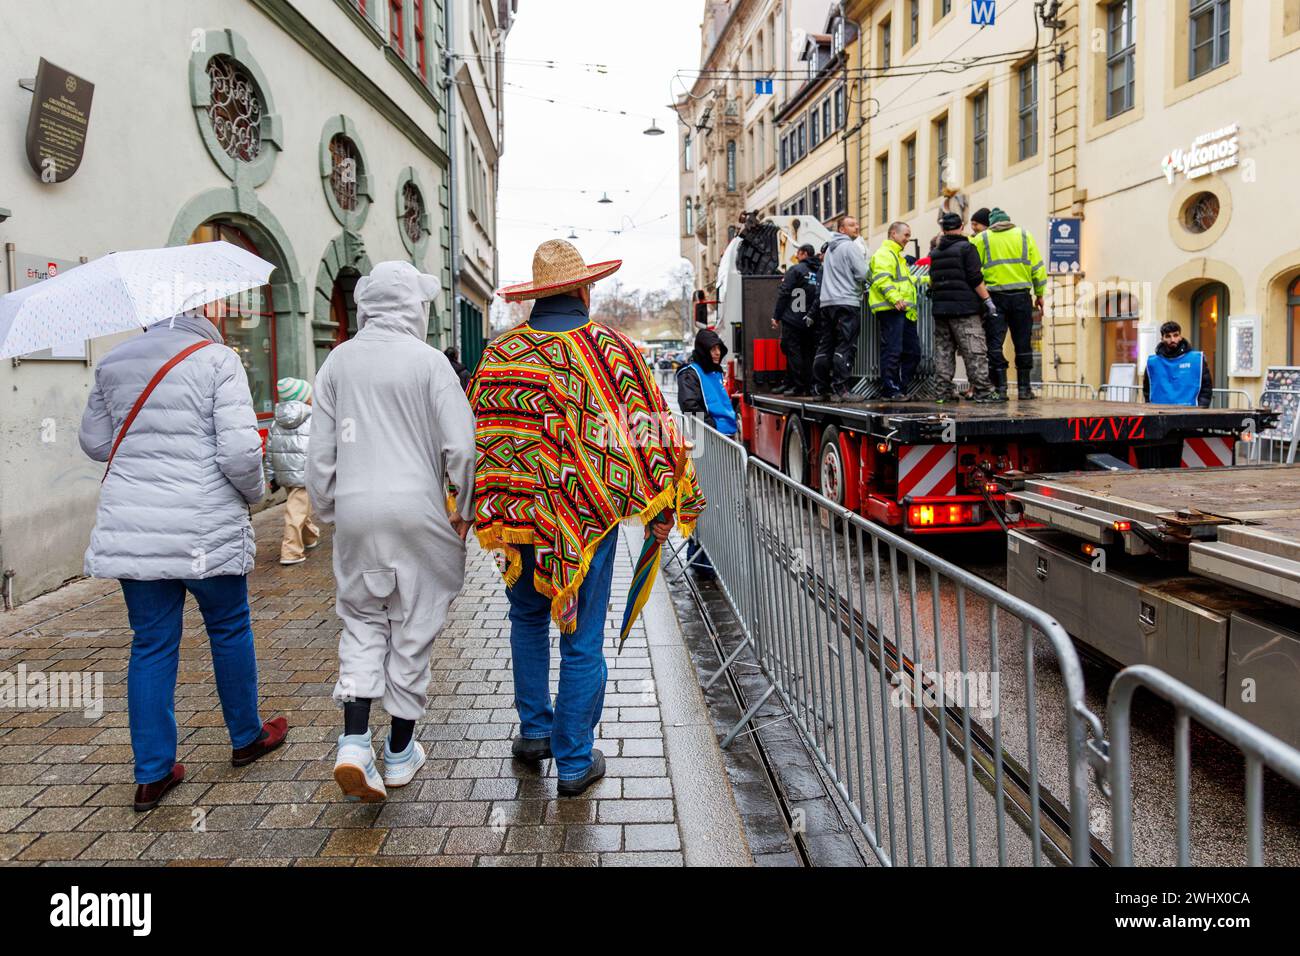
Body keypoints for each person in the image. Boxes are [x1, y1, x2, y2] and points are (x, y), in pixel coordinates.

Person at [471, 240, 705, 796]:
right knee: (580, 635)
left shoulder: (501, 354)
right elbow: (651, 429)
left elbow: (478, 433)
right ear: (582, 288)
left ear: (538, 295)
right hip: (582, 521)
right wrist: (670, 495)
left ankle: (535, 734)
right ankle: (574, 761)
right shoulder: (610, 349)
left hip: (514, 516)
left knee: (526, 619)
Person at [78, 308, 288, 812]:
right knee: (230, 628)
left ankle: (152, 773)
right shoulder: (218, 359)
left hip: (136, 527)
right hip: (204, 524)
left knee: (151, 643)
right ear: (199, 312)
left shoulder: (113, 362)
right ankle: (245, 737)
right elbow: (240, 453)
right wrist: (255, 494)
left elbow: (95, 443)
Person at [307, 261, 477, 803]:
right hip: (418, 510)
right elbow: (463, 448)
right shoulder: (430, 364)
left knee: (361, 620)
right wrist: (464, 507)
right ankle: (400, 752)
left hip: (358, 512)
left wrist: (330, 508)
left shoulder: (337, 363)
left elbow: (320, 454)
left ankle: (355, 742)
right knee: (413, 624)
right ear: (413, 307)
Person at [927, 213, 1003, 404]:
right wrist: (988, 301)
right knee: (974, 350)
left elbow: (932, 281)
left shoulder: (935, 253)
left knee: (944, 352)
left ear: (943, 229)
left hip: (941, 311)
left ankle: (942, 393)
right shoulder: (967, 248)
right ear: (961, 226)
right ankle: (984, 392)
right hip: (965, 310)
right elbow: (975, 278)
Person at [973, 207, 1047, 400]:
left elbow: (974, 270)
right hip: (1022, 298)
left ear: (992, 222)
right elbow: (1038, 268)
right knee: (1023, 343)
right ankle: (1024, 389)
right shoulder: (1024, 235)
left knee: (994, 344)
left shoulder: (982, 238)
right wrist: (1039, 294)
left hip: (994, 299)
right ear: (1008, 220)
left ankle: (1001, 389)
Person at [265, 377, 321, 566]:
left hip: (285, 475)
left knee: (299, 507)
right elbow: (322, 445)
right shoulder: (313, 417)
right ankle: (291, 551)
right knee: (295, 512)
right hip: (304, 473)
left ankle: (309, 537)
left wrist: (271, 476)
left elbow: (270, 450)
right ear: (304, 398)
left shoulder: (276, 421)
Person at [814, 216, 869, 401]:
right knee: (846, 344)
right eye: (852, 225)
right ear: (842, 229)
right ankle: (843, 389)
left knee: (826, 345)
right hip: (846, 301)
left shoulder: (829, 248)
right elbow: (862, 273)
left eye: (857, 223)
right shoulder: (850, 247)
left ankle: (821, 389)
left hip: (827, 302)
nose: (857, 227)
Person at [868, 221, 921, 401]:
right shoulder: (885, 254)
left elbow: (908, 281)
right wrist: (894, 298)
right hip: (891, 309)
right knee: (893, 350)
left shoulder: (897, 256)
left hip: (903, 310)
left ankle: (899, 388)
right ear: (893, 234)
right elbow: (882, 279)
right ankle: (890, 389)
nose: (908, 239)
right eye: (905, 235)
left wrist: (927, 280)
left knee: (912, 352)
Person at [771, 243, 820, 395]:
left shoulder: (796, 270)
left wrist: (776, 316)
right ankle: (800, 384)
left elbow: (784, 293)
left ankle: (797, 386)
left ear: (803, 253)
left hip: (792, 319)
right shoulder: (819, 271)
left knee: (792, 351)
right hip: (811, 319)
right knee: (808, 353)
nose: (796, 256)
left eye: (798, 253)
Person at [1143, 320, 1213, 407]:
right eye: (1168, 336)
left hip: (1189, 414)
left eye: (1175, 335)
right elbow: (1147, 390)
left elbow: (1206, 389)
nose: (1172, 339)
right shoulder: (1152, 362)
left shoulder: (1196, 359)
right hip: (1158, 414)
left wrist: (1201, 409)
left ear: (1180, 337)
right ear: (1162, 339)